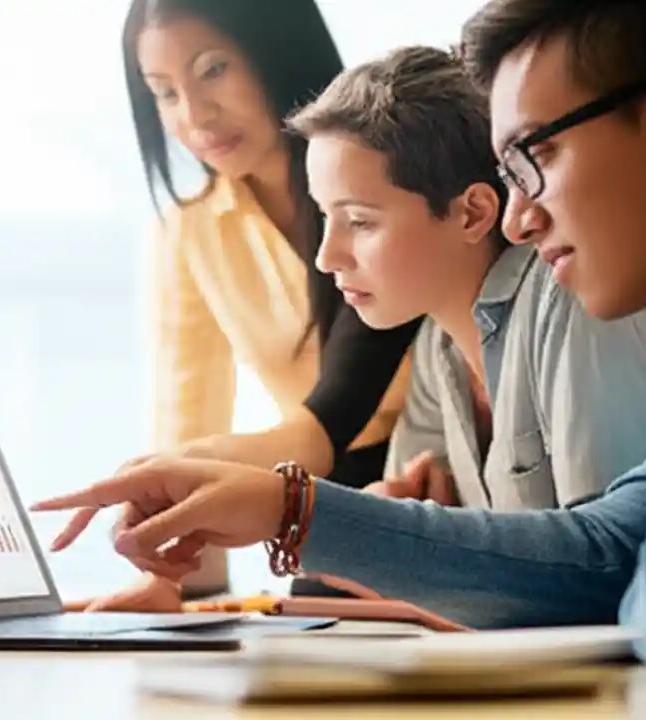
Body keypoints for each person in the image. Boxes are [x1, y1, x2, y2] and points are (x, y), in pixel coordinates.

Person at [36, 0, 646, 681]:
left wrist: (600, 590)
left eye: (532, 159)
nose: (519, 214)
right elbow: (607, 554)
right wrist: (292, 509)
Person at [51, 42, 646, 615]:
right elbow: (425, 571)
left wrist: (337, 525)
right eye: (324, 218)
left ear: (471, 212)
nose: (326, 256)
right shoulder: (438, 353)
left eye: (360, 222)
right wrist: (381, 524)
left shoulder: (577, 308)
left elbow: (613, 583)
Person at [109, 0, 420, 598]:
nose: (195, 115)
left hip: (436, 478)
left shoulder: (385, 174)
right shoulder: (192, 232)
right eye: (164, 93)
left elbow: (328, 419)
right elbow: (186, 413)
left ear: (277, 49)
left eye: (213, 69)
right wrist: (164, 578)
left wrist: (173, 478)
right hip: (319, 504)